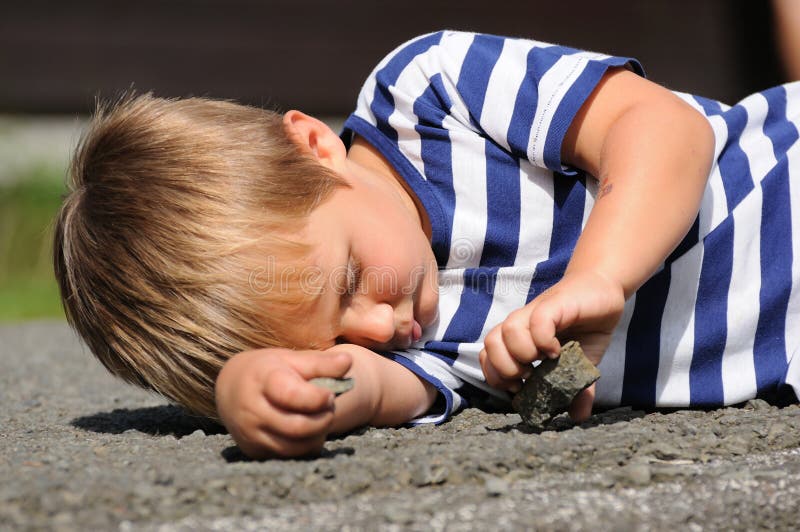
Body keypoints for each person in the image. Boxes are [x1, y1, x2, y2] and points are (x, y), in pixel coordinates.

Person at [54, 31, 800, 459]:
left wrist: (600, 274)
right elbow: (369, 386)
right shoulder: (407, 349)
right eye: (339, 341)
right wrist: (267, 388)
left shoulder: (430, 96)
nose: (379, 329)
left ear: (315, 146)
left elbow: (663, 127)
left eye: (348, 281)